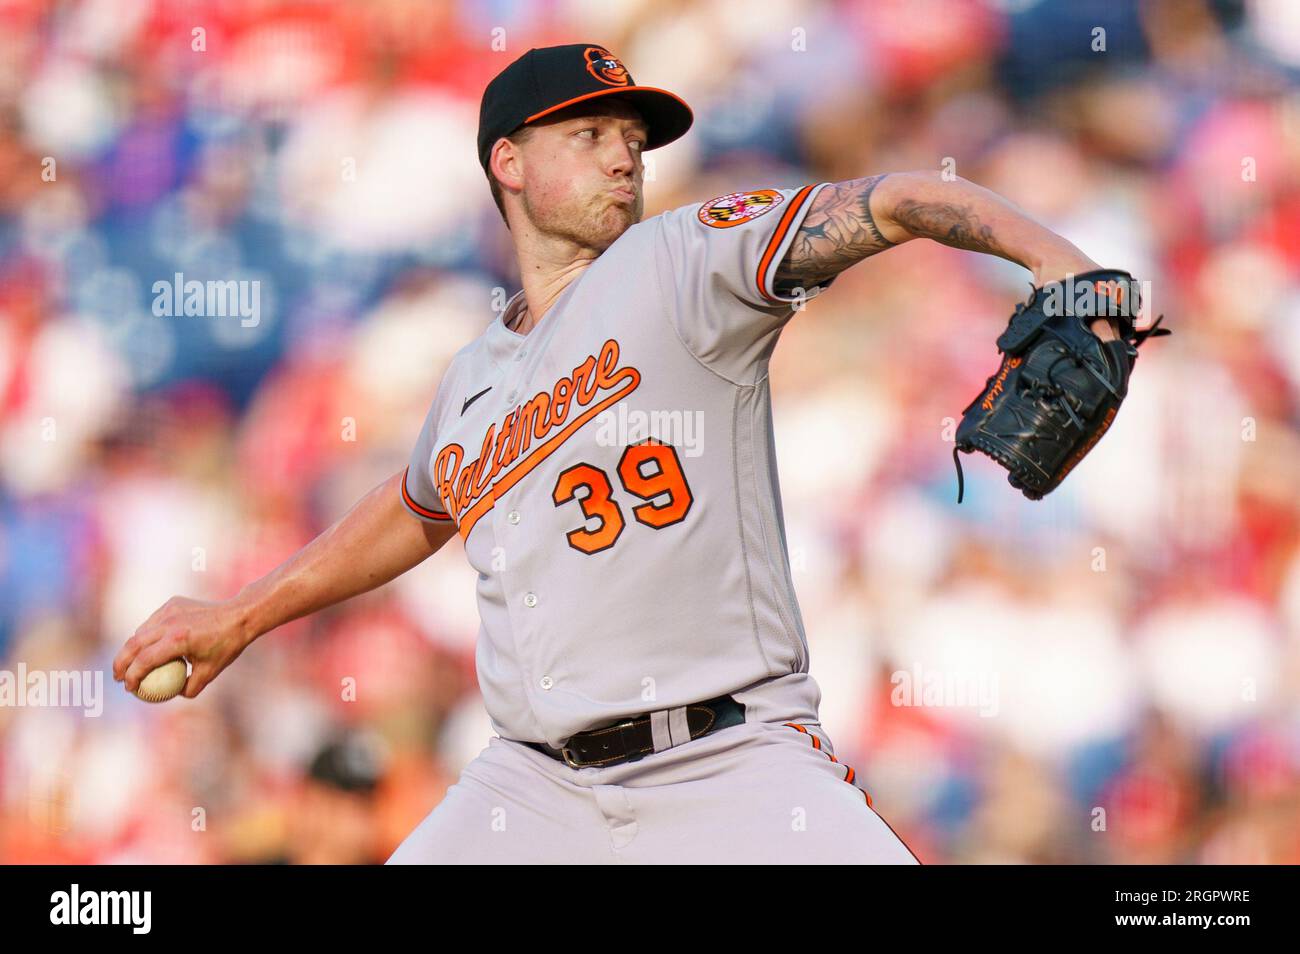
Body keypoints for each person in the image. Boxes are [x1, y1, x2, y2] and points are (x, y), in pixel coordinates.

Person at [115, 43, 1119, 863]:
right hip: (535, 783)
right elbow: (420, 505)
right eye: (588, 134)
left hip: (730, 760)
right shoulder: (472, 374)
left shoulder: (684, 261)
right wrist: (241, 616)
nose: (622, 158)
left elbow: (893, 199)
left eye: (631, 140)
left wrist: (1061, 265)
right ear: (507, 162)